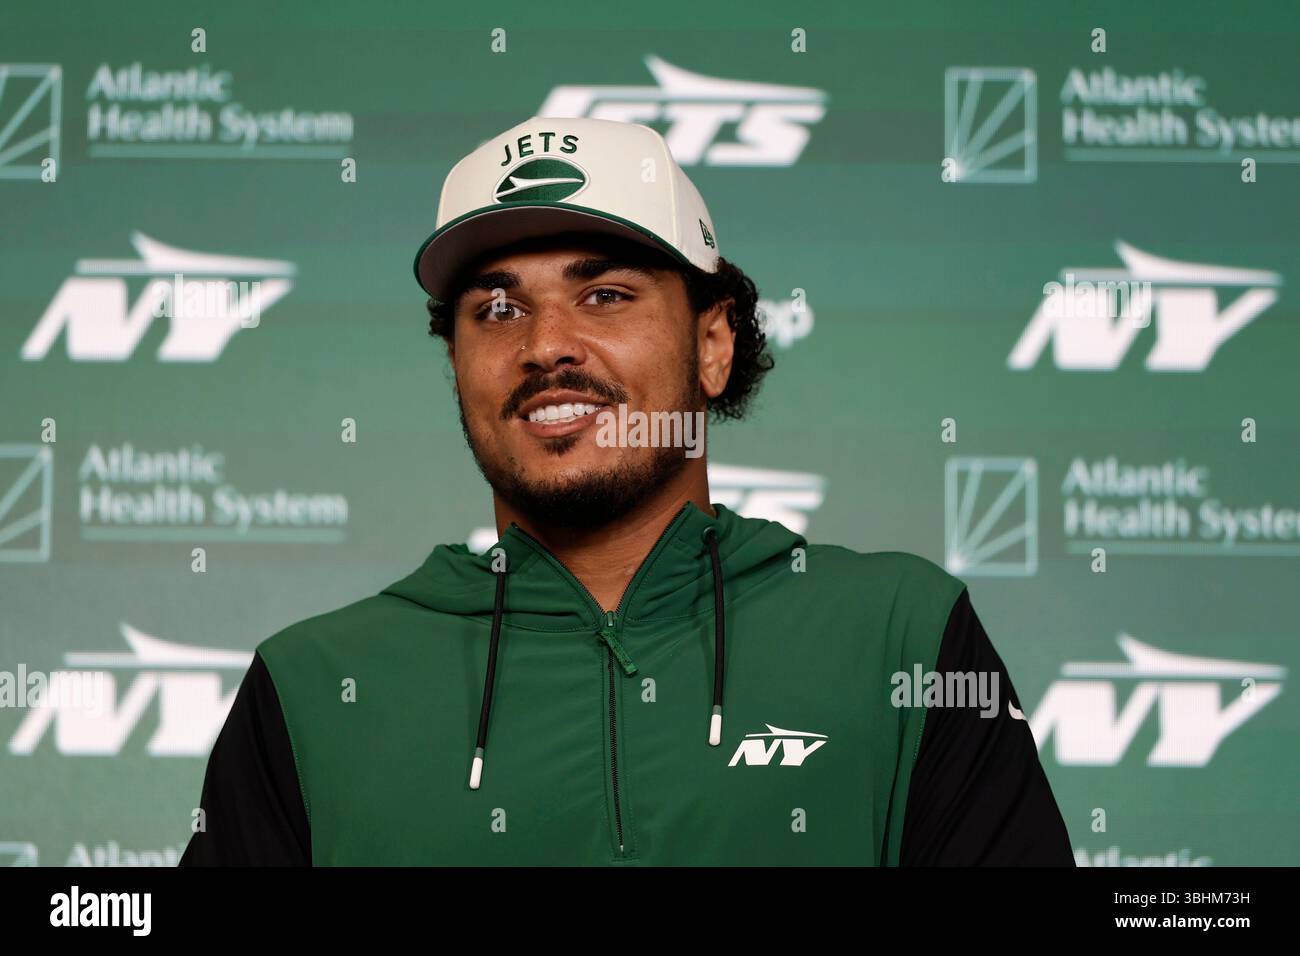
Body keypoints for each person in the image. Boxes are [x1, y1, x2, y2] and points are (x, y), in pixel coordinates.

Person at [180, 116, 1073, 866]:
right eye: (496, 308)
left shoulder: (901, 637)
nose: (545, 345)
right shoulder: (312, 686)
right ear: (455, 364)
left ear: (714, 344)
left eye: (605, 295)